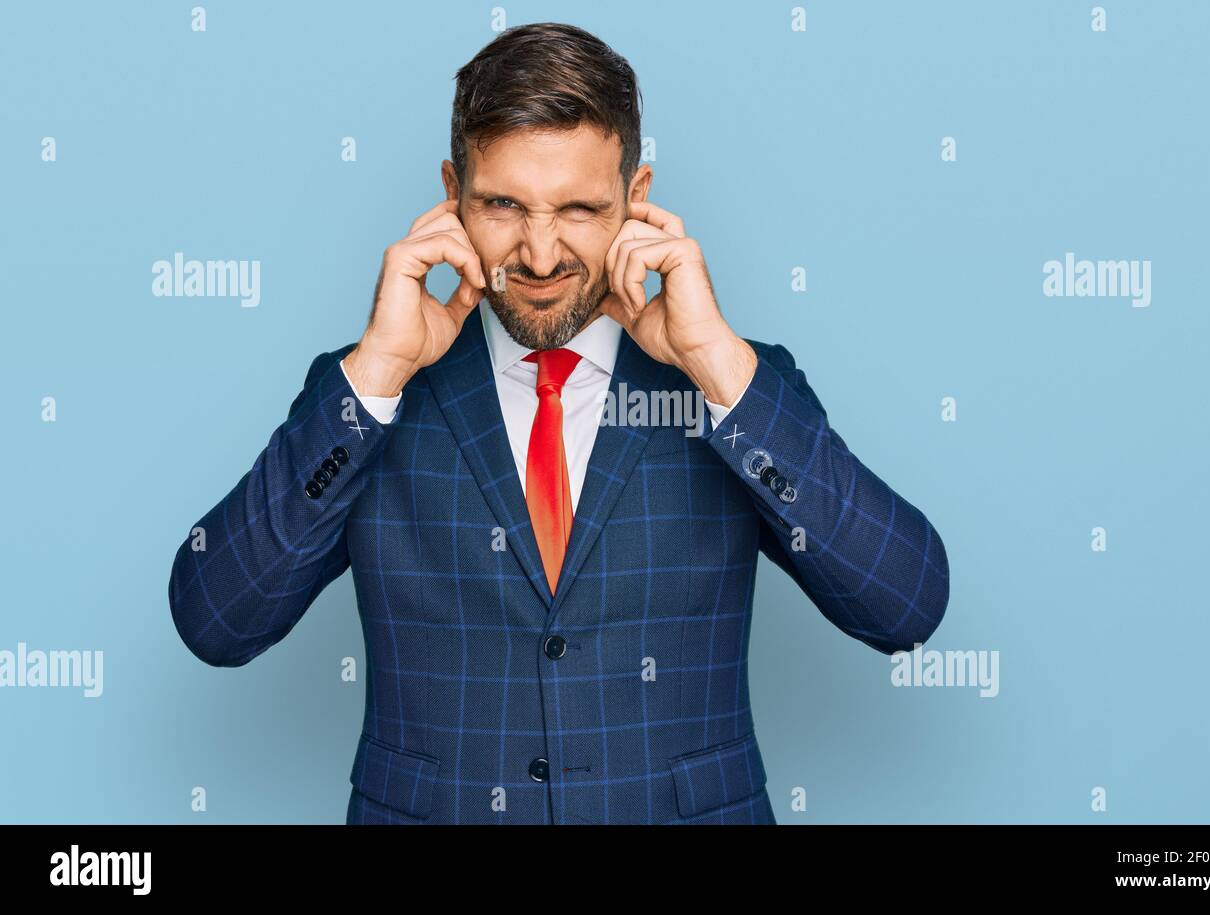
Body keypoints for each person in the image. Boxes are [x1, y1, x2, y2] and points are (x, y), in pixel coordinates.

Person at [168, 21, 950, 825]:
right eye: (503, 205)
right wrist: (377, 373)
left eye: (579, 208)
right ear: (451, 193)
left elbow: (906, 606)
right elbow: (217, 620)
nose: (540, 256)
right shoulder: (371, 391)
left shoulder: (735, 385)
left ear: (636, 199)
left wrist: (717, 363)